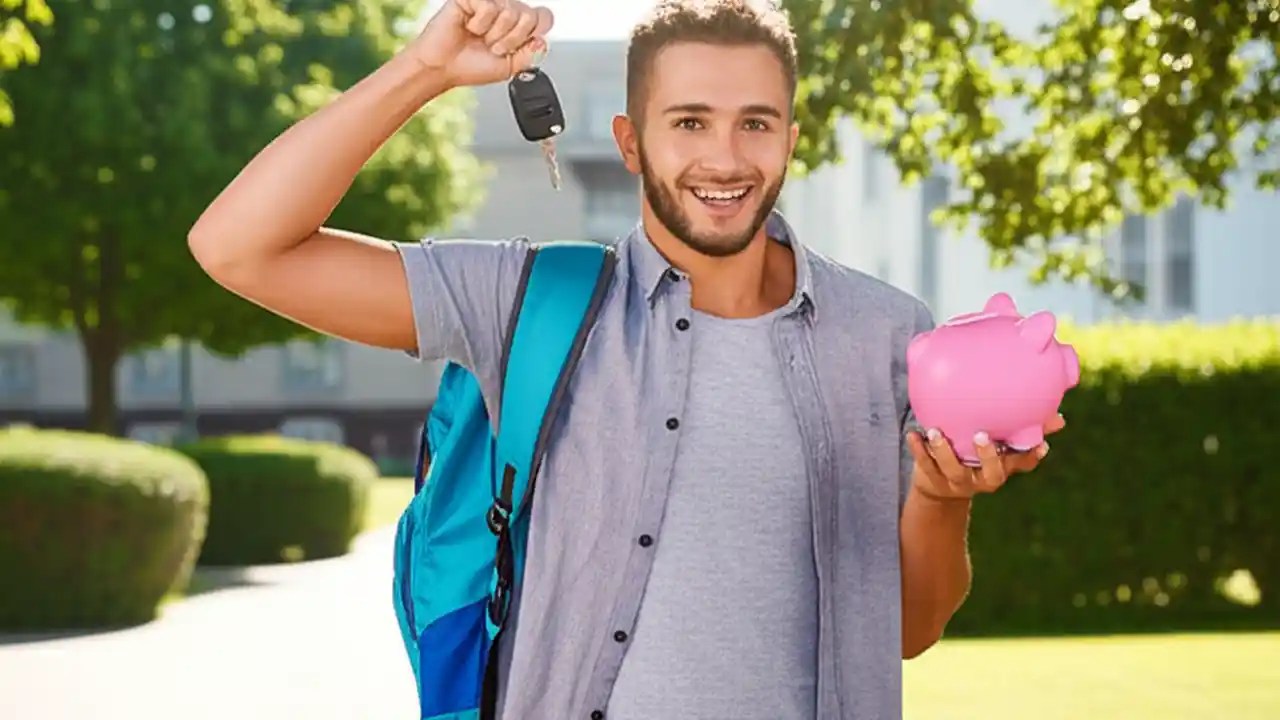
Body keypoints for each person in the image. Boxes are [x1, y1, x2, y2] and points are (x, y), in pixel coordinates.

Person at [188, 0, 1065, 717]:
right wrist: (424, 72)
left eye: (756, 123)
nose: (725, 158)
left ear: (791, 137)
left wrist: (944, 501)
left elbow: (906, 629)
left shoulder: (883, 335)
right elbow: (238, 248)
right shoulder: (527, 303)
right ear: (631, 141)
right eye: (690, 122)